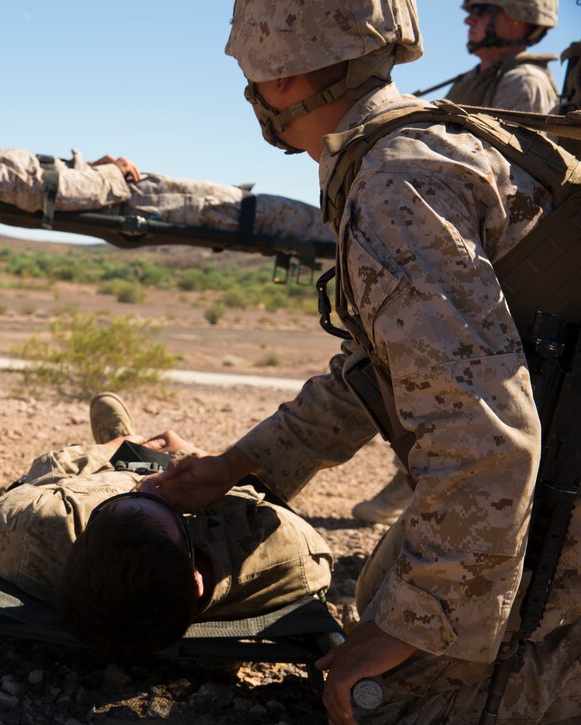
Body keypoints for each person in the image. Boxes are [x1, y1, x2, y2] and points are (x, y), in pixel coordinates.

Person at [142, 1, 580, 722]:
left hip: (559, 470)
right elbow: (375, 373)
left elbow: (484, 438)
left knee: (380, 698)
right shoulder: (424, 148)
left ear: (281, 77)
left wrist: (416, 628)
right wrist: (238, 466)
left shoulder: (394, 183)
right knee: (384, 595)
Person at [353, 0, 560, 526]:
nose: (467, 20)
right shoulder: (476, 80)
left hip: (497, 250)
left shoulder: (527, 86)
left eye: (481, 11)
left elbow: (509, 181)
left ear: (515, 21)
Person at [0, 392, 333, 660]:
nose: (145, 491)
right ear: (195, 579)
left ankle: (122, 443)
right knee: (197, 467)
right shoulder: (291, 555)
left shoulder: (30, 537)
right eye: (168, 515)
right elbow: (260, 493)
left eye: (124, 507)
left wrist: (118, 462)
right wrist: (204, 465)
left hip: (105, 478)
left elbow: (37, 480)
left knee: (86, 473)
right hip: (217, 499)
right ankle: (147, 454)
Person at [0, 128, 334, 243]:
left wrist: (96, 166)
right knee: (266, 213)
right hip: (142, 200)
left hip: (139, 195)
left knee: (258, 208)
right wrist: (114, 173)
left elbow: (47, 183)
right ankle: (358, 236)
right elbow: (49, 194)